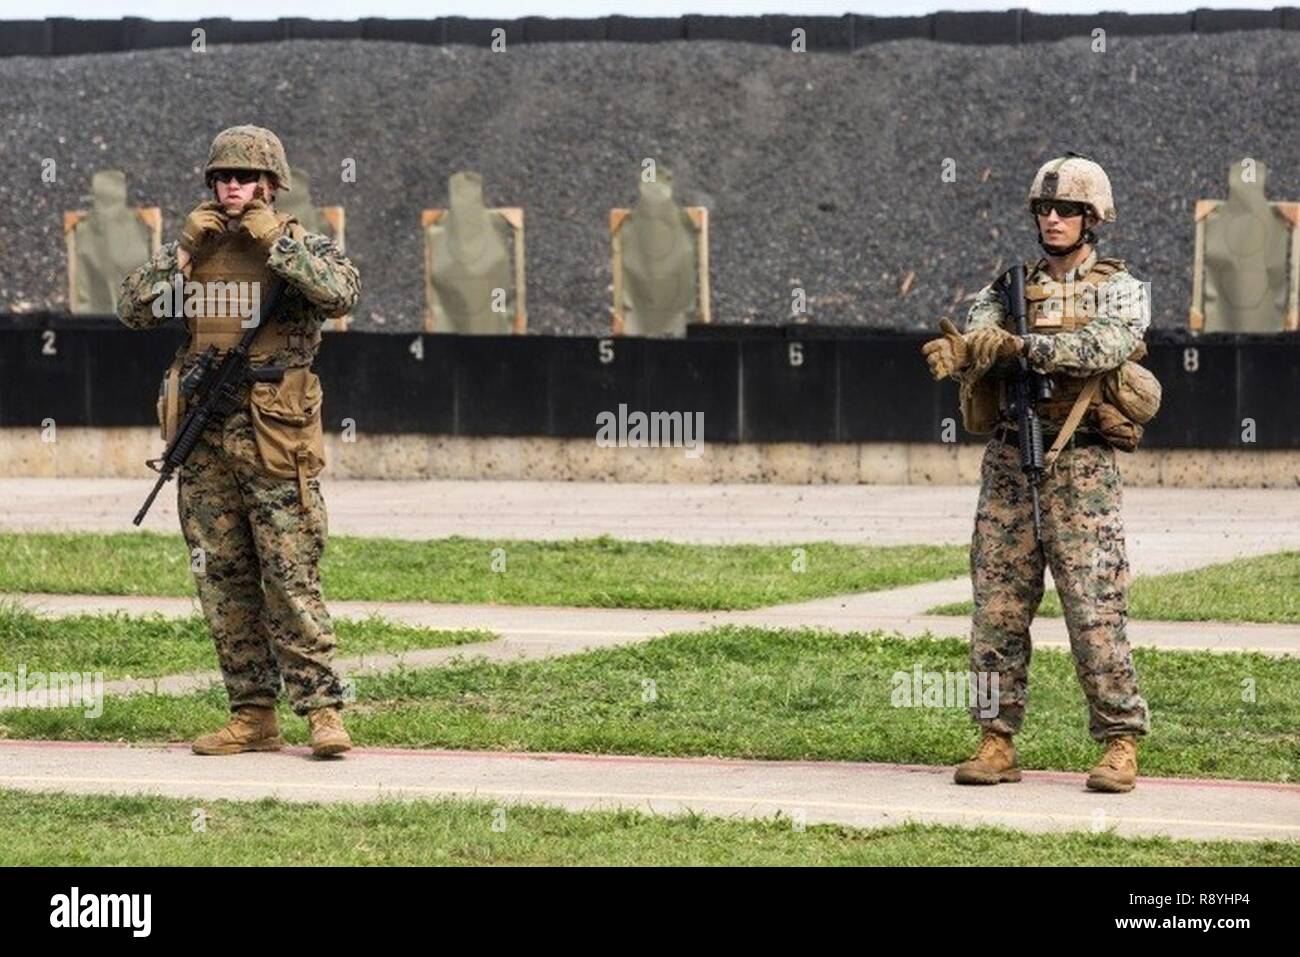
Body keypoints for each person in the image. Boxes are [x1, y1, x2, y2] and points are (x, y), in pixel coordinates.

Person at [117, 125, 360, 758]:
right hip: (204, 436)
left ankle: (323, 711)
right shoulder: (194, 251)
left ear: (271, 185)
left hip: (275, 432)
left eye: (246, 178)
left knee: (290, 572)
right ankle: (252, 714)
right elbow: (133, 310)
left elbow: (339, 295)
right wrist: (181, 250)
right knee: (222, 577)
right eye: (223, 178)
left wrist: (276, 244)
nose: (233, 188)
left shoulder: (299, 245)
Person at [922, 154, 1151, 792]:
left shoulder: (1121, 287)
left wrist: (1030, 347)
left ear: (1092, 218)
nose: (1053, 219)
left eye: (1067, 210)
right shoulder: (1006, 287)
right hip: (1008, 461)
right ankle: (996, 739)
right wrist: (972, 351)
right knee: (998, 606)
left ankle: (1120, 740)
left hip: (1079, 463)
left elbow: (1106, 344)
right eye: (1045, 210)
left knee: (1094, 607)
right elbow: (980, 329)